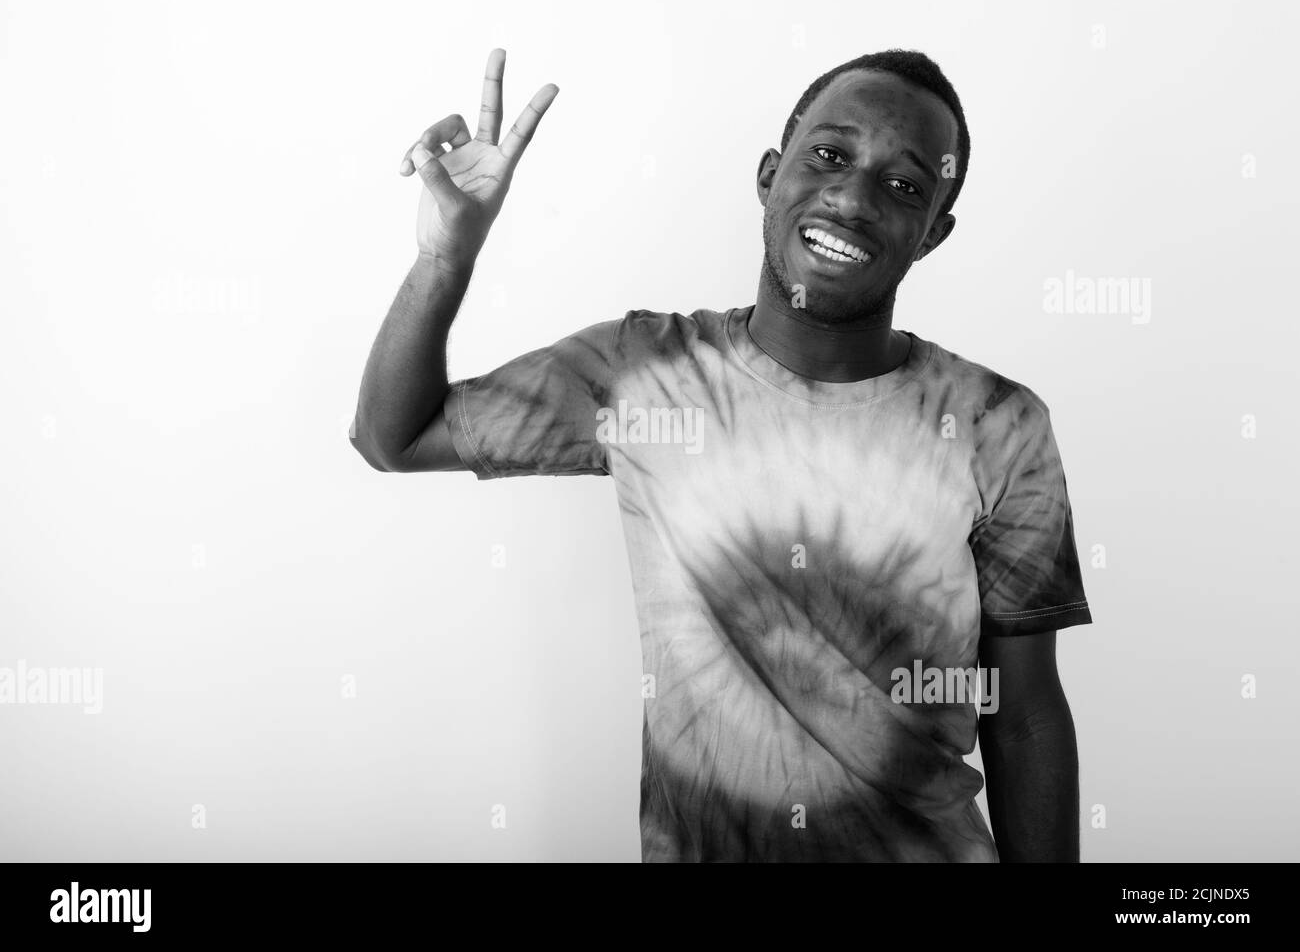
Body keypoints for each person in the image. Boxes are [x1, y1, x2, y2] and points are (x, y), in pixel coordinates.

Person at [349, 47, 1094, 862]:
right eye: (830, 155)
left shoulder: (999, 423)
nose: (851, 197)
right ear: (771, 175)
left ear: (933, 234)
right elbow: (394, 437)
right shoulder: (641, 372)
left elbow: (1021, 714)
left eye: (905, 186)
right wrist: (445, 258)